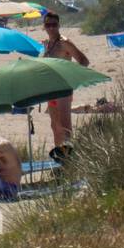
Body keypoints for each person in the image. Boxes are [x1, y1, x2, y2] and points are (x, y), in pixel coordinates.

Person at [41, 12, 89, 153]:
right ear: (44, 26)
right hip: (51, 89)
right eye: (48, 25)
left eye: (54, 25)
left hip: (63, 88)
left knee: (65, 126)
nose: (51, 28)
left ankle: (69, 158)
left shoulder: (64, 43)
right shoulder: (48, 44)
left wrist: (72, 78)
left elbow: (83, 61)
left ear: (59, 25)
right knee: (55, 125)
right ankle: (59, 157)